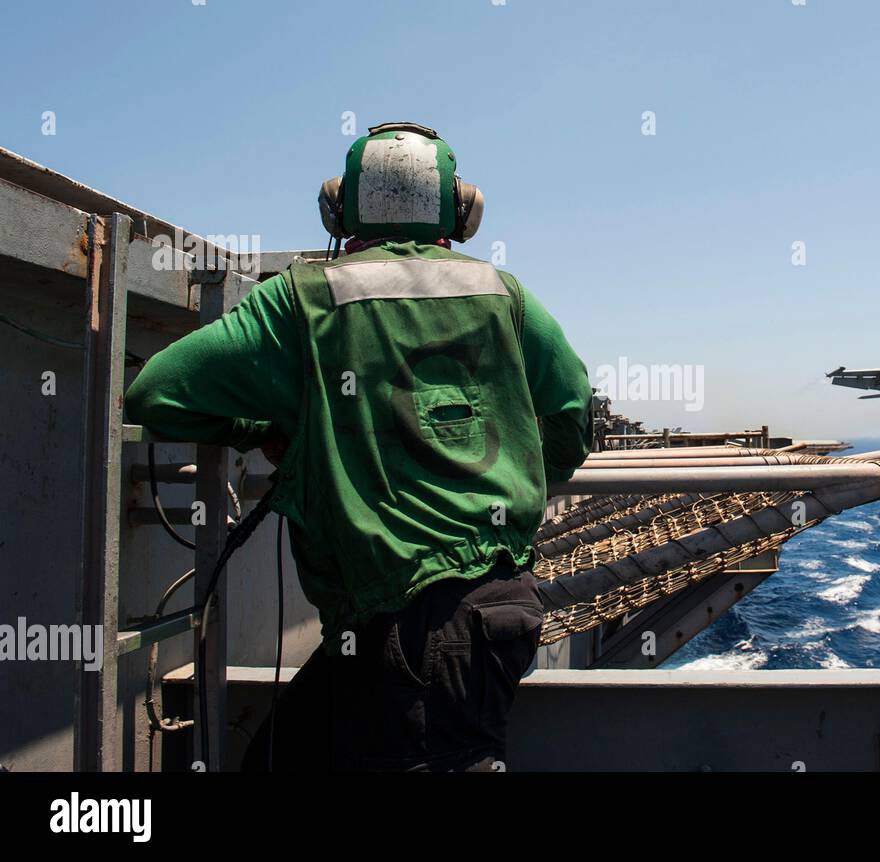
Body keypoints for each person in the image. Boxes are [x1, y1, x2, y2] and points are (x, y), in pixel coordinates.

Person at [125, 122, 593, 771]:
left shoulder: (305, 299)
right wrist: (534, 476)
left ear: (338, 208)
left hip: (413, 629)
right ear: (461, 211)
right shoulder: (502, 293)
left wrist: (269, 434)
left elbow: (157, 393)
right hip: (481, 612)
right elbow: (572, 408)